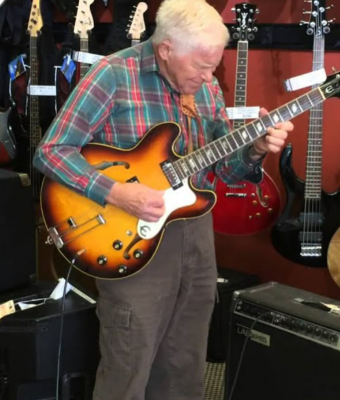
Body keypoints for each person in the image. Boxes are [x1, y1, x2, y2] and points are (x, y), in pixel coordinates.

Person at [33, 0, 294, 399]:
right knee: (128, 363)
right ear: (166, 49)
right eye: (201, 66)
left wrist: (255, 148)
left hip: (194, 234)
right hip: (126, 233)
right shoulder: (112, 76)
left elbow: (223, 171)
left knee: (186, 360)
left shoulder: (204, 87)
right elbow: (51, 151)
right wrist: (118, 192)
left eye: (214, 66)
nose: (210, 76)